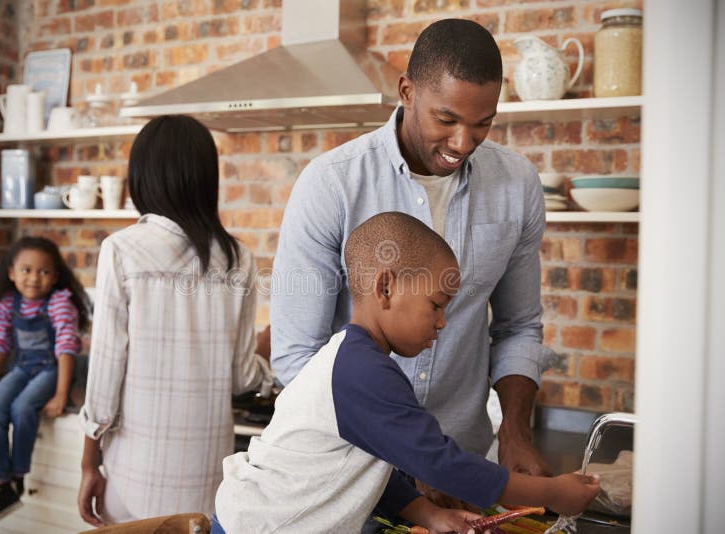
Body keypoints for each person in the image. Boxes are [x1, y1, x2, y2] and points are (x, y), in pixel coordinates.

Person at [271, 18, 555, 507]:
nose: (463, 143)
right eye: (446, 119)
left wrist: (515, 430)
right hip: (351, 483)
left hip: (462, 472)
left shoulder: (517, 185)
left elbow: (518, 327)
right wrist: (403, 473)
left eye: (482, 123)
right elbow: (300, 360)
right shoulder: (331, 186)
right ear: (406, 91)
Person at [213, 212, 599, 533]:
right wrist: (552, 493)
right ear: (386, 288)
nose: (443, 322)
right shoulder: (362, 372)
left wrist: (431, 514)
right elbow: (441, 464)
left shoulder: (357, 360)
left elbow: (361, 471)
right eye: (436, 305)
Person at [77, 115, 274, 526]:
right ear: (205, 179)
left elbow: (104, 381)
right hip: (206, 481)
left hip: (134, 478)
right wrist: (270, 351)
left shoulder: (122, 250)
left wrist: (88, 467)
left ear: (142, 177)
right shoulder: (239, 258)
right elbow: (241, 378)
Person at [0, 236, 89, 530]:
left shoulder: (59, 303)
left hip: (51, 369)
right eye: (26, 270)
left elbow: (65, 350)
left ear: (55, 276)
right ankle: (0, 480)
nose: (34, 278)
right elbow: (0, 345)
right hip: (22, 367)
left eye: (43, 271)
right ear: (12, 273)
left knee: (22, 407)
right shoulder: (7, 305)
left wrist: (61, 393)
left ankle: (17, 477)